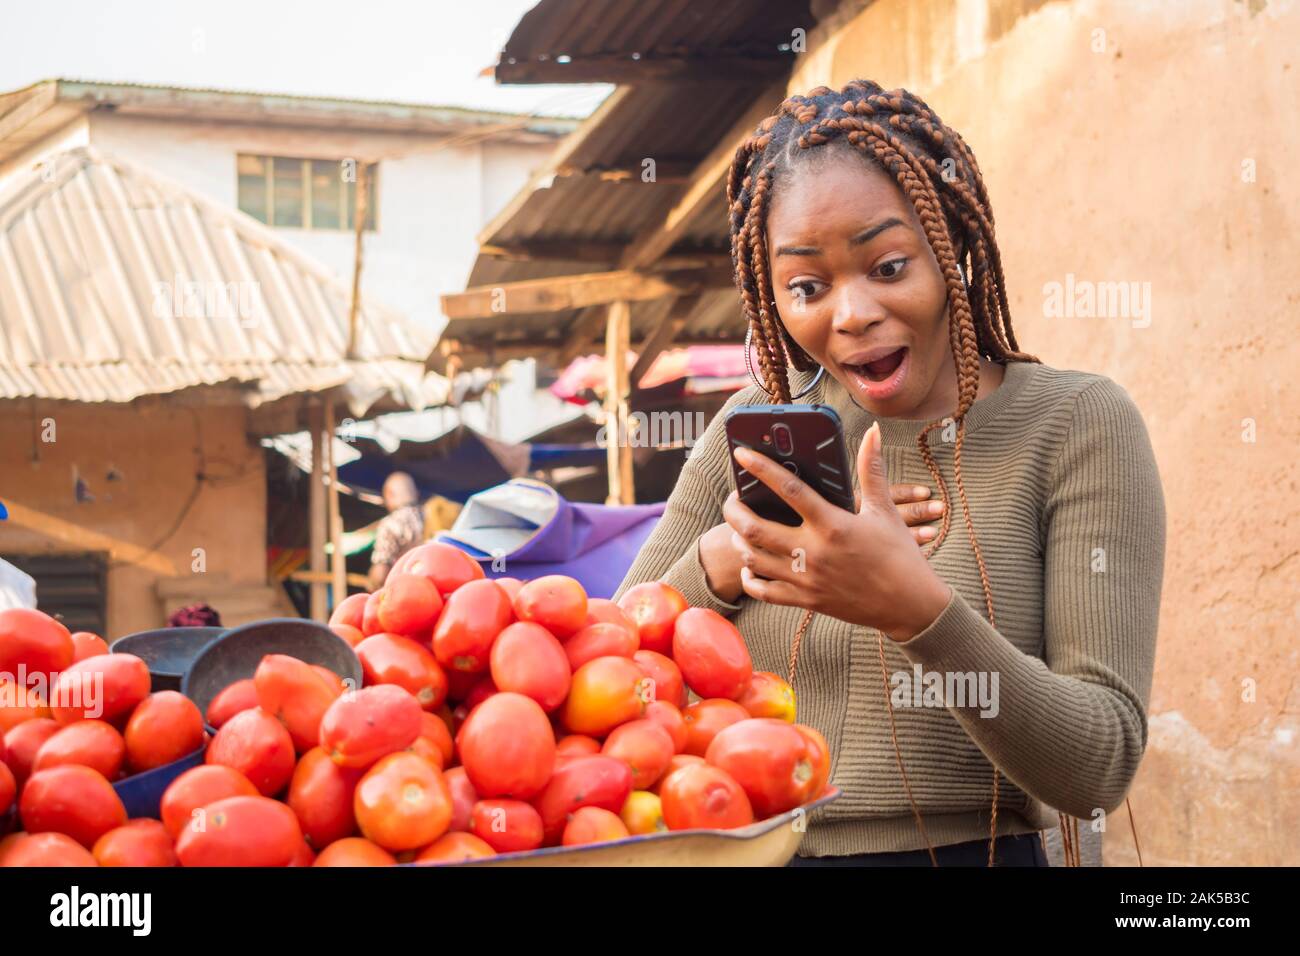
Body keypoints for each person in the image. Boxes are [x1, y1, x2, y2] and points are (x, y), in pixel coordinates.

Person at [614, 81, 1165, 867]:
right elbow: (610, 655)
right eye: (807, 286)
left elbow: (1100, 764)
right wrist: (729, 562)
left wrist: (916, 612)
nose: (850, 314)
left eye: (889, 265)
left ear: (953, 250)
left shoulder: (1076, 426)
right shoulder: (756, 428)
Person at [368, 471, 424, 590]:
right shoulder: (436, 516)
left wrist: (371, 583)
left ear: (389, 494)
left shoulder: (389, 524)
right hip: (439, 594)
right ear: (416, 494)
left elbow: (380, 574)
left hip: (408, 593)